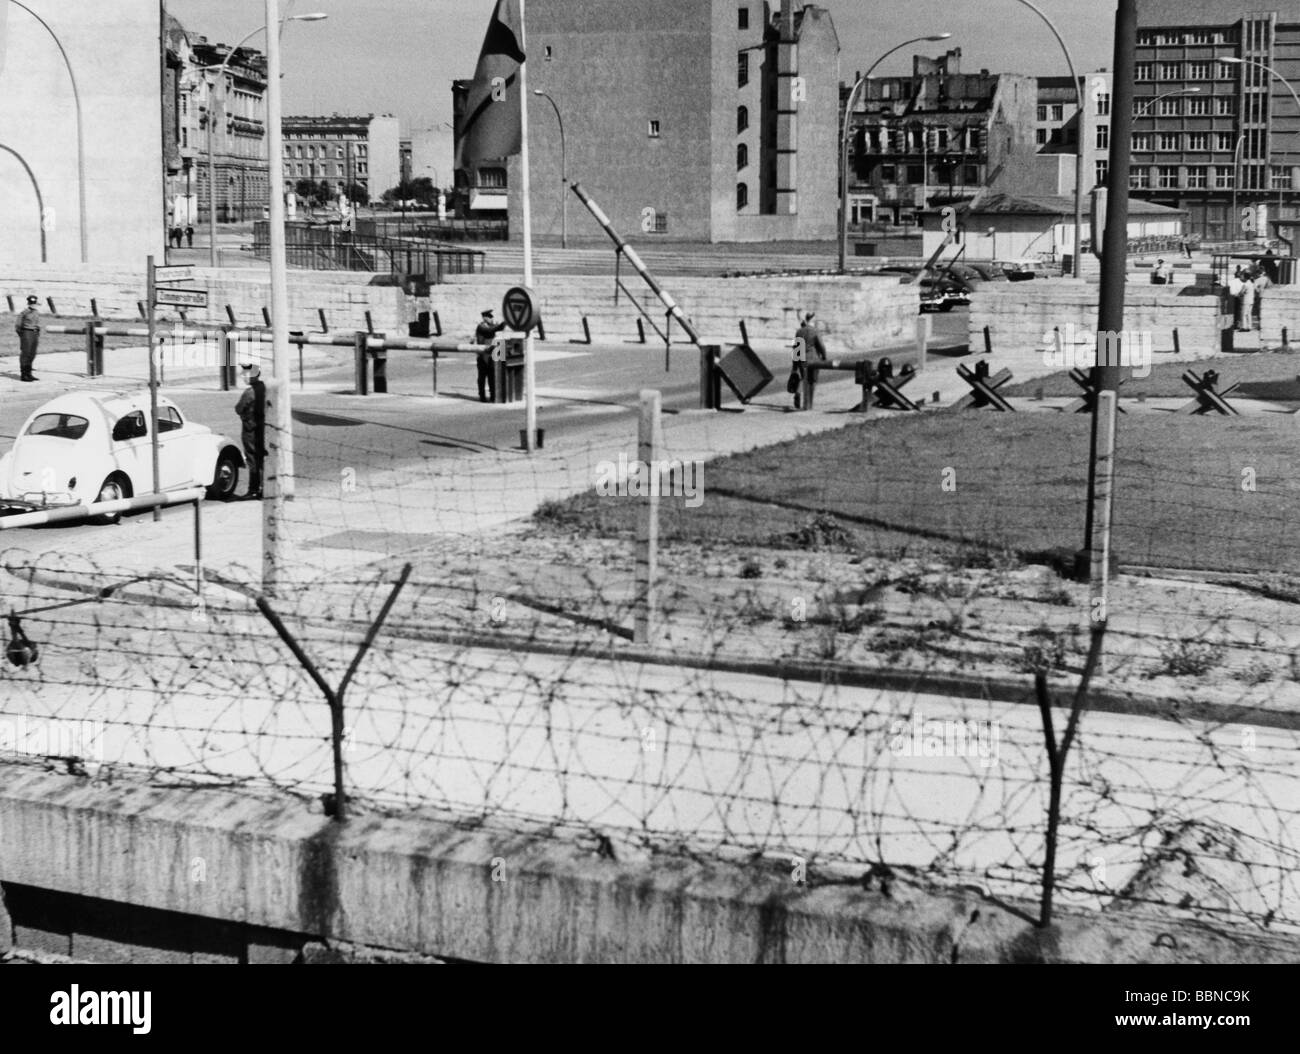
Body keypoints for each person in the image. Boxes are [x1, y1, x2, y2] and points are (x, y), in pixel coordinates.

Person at [235, 363, 266, 499]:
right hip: (263, 429)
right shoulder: (264, 387)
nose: (242, 376)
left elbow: (238, 408)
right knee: (262, 459)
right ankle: (264, 488)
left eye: (245, 374)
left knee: (253, 460)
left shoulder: (249, 392)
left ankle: (253, 489)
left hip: (250, 430)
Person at [788, 312, 827, 410]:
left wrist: (795, 365)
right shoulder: (815, 331)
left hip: (802, 359)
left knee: (803, 378)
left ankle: (798, 392)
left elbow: (796, 348)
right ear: (813, 320)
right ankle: (809, 403)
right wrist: (824, 357)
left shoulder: (799, 332)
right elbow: (821, 346)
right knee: (813, 380)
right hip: (813, 359)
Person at [474, 308, 506, 403]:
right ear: (484, 317)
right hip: (482, 355)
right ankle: (482, 395)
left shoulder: (492, 326)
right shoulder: (481, 327)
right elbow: (490, 331)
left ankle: (493, 395)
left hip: (492, 355)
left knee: (492, 376)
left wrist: (502, 325)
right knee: (482, 377)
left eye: (491, 317)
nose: (491, 319)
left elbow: (497, 331)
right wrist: (502, 324)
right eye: (489, 317)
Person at [15, 295, 40, 382]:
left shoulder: (36, 312)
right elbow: (18, 326)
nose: (33, 305)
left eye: (34, 303)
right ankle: (24, 374)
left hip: (35, 333)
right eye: (31, 303)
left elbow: (36, 323)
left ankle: (29, 373)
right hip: (26, 332)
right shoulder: (24, 313)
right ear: (28, 303)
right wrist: (23, 335)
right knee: (26, 353)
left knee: (32, 353)